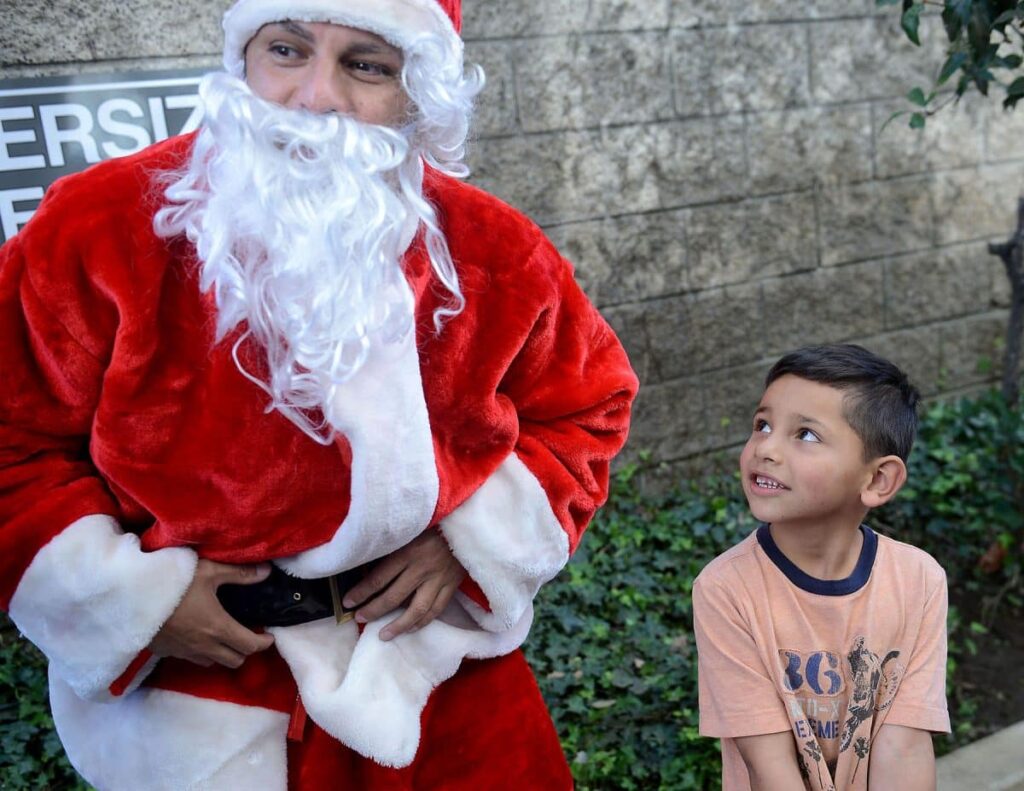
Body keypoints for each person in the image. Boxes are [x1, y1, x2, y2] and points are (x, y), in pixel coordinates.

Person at [0, 0, 638, 788]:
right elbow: (11, 443)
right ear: (244, 57)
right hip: (202, 703)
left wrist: (473, 541)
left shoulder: (496, 249)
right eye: (287, 50)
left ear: (418, 90)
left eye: (365, 65)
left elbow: (588, 405)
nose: (315, 97)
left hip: (435, 675)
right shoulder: (97, 227)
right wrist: (135, 602)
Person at [693, 344, 949, 791]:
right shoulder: (725, 589)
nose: (766, 448)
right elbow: (768, 766)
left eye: (806, 435)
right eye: (762, 425)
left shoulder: (918, 580)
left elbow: (903, 747)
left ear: (877, 480)